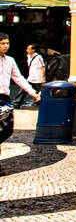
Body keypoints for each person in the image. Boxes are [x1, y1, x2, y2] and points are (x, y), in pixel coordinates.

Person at [0, 33, 40, 173]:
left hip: (5, 98)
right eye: (2, 43)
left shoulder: (10, 60)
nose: (6, 46)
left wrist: (31, 92)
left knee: (7, 129)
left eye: (7, 43)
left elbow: (18, 78)